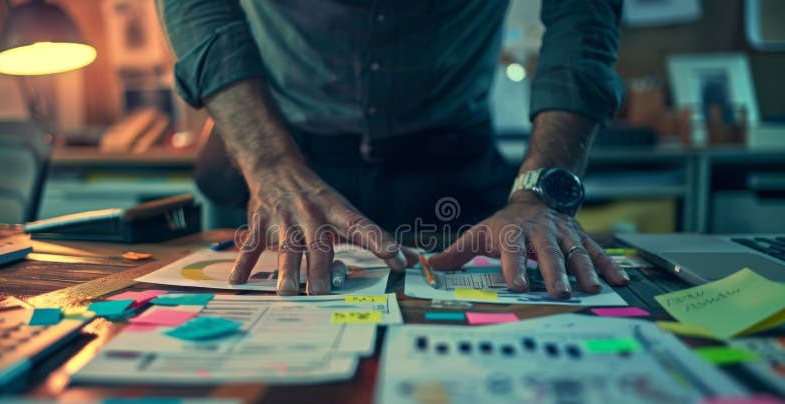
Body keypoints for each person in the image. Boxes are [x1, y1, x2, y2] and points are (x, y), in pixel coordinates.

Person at [157, 0, 630, 297]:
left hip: (453, 165)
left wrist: (540, 193)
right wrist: (267, 162)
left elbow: (583, 15)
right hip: (288, 162)